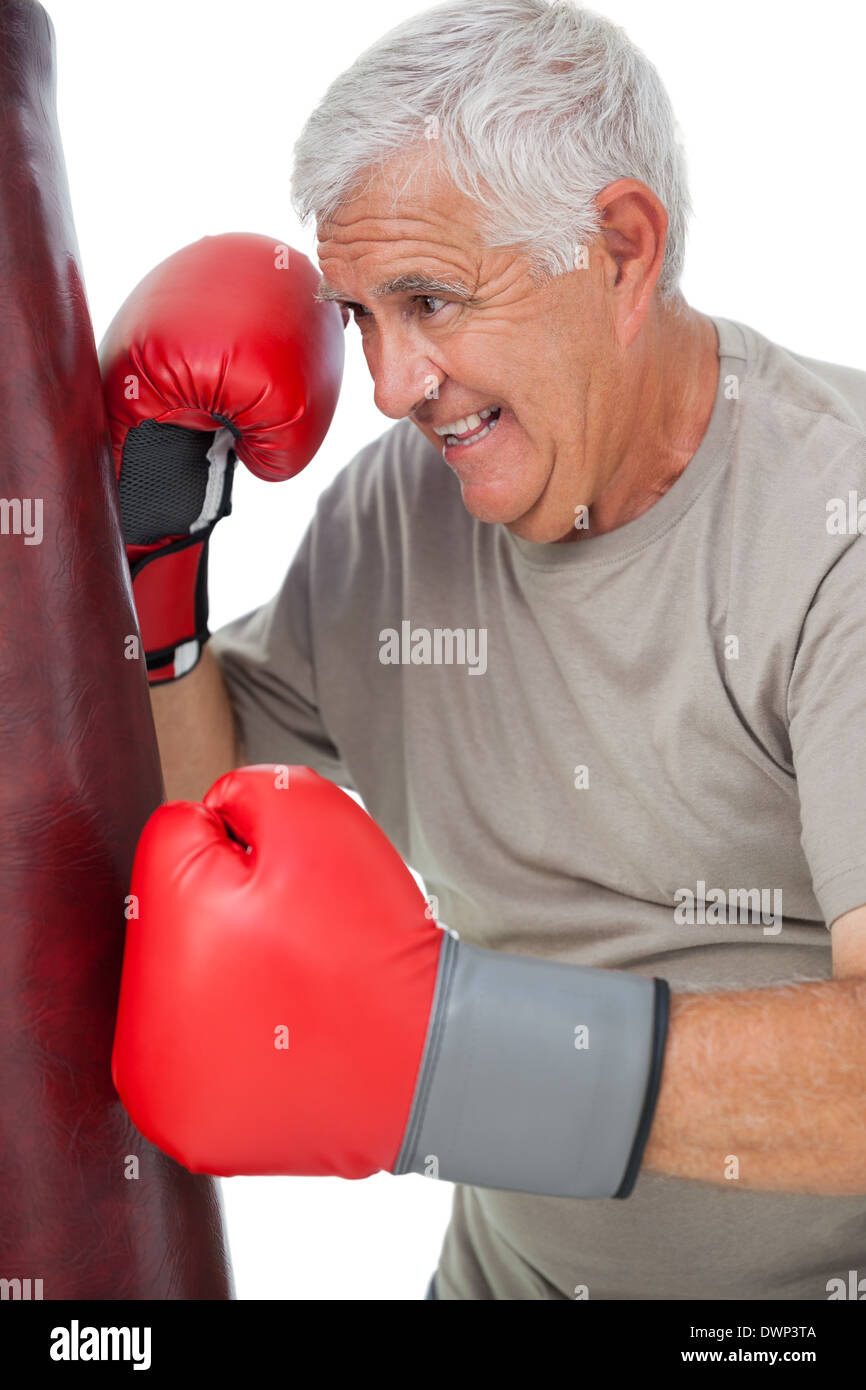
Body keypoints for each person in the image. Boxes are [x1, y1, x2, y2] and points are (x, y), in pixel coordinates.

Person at [111, 1, 866, 1300]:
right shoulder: (391, 524)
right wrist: (154, 580)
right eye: (357, 314)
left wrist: (449, 1060)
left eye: (428, 299)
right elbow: (200, 818)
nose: (393, 386)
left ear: (621, 252)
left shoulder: (830, 528)